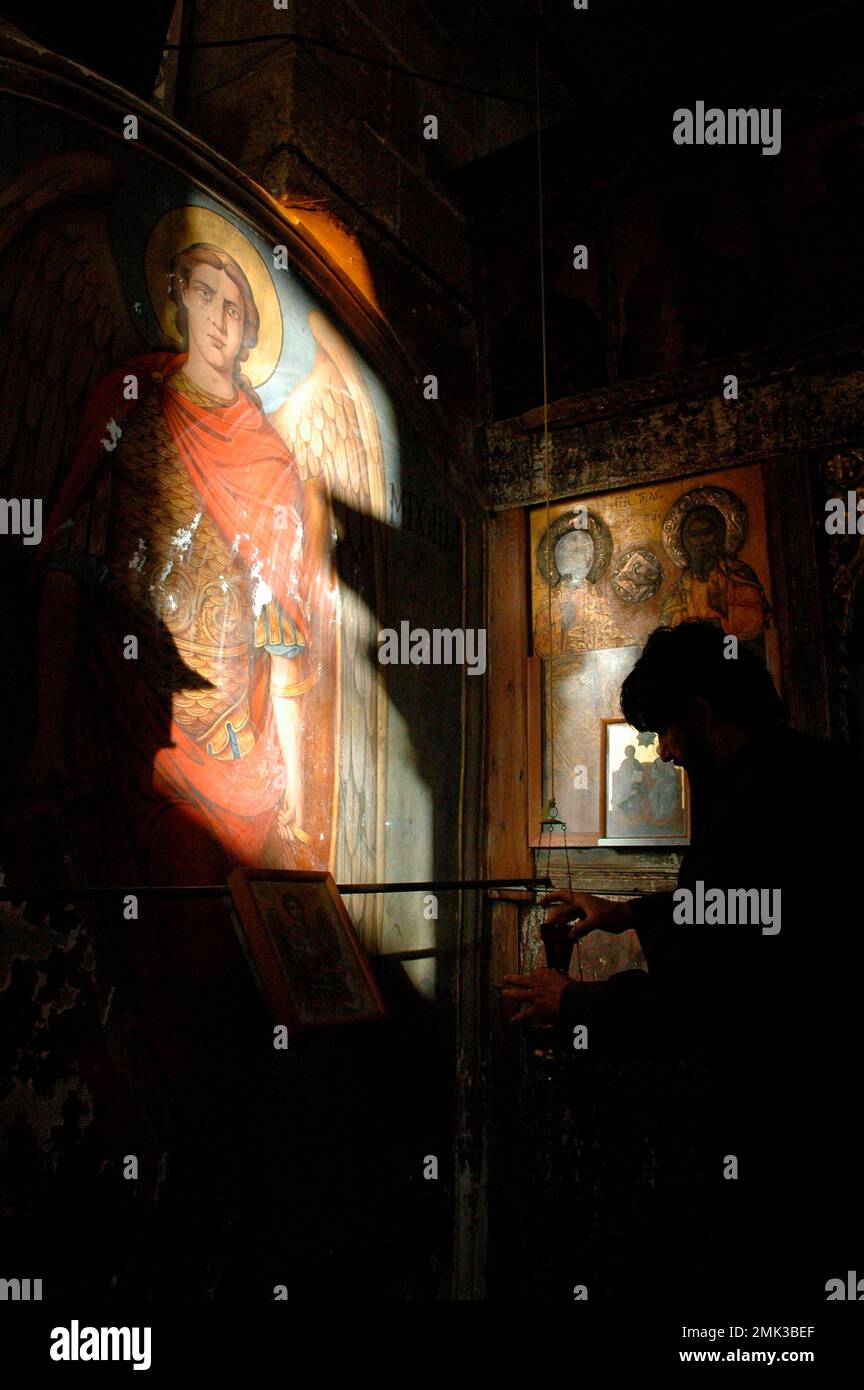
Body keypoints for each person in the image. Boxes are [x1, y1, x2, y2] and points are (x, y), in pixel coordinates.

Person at [501, 621, 858, 1300]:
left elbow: (699, 1004)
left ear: (700, 713)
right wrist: (628, 910)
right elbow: (754, 908)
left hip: (787, 1124)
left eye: (665, 730)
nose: (663, 752)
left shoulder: (741, 817)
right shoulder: (815, 770)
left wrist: (570, 1001)